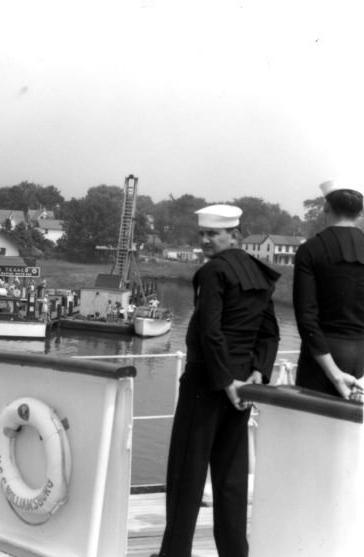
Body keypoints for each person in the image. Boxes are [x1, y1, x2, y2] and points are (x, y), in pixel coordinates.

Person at [155, 204, 280, 557]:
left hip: (206, 383)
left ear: (235, 235)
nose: (205, 240)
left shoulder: (213, 272)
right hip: (241, 387)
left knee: (185, 476)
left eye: (213, 234)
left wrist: (226, 383)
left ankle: (174, 554)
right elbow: (269, 334)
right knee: (230, 479)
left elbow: (210, 332)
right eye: (202, 234)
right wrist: (256, 374)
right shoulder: (259, 272)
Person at [294, 178, 364, 400]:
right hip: (362, 356)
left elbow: (306, 318)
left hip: (322, 359)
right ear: (360, 212)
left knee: (313, 430)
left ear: (325, 207)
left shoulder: (310, 250)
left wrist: (334, 374)